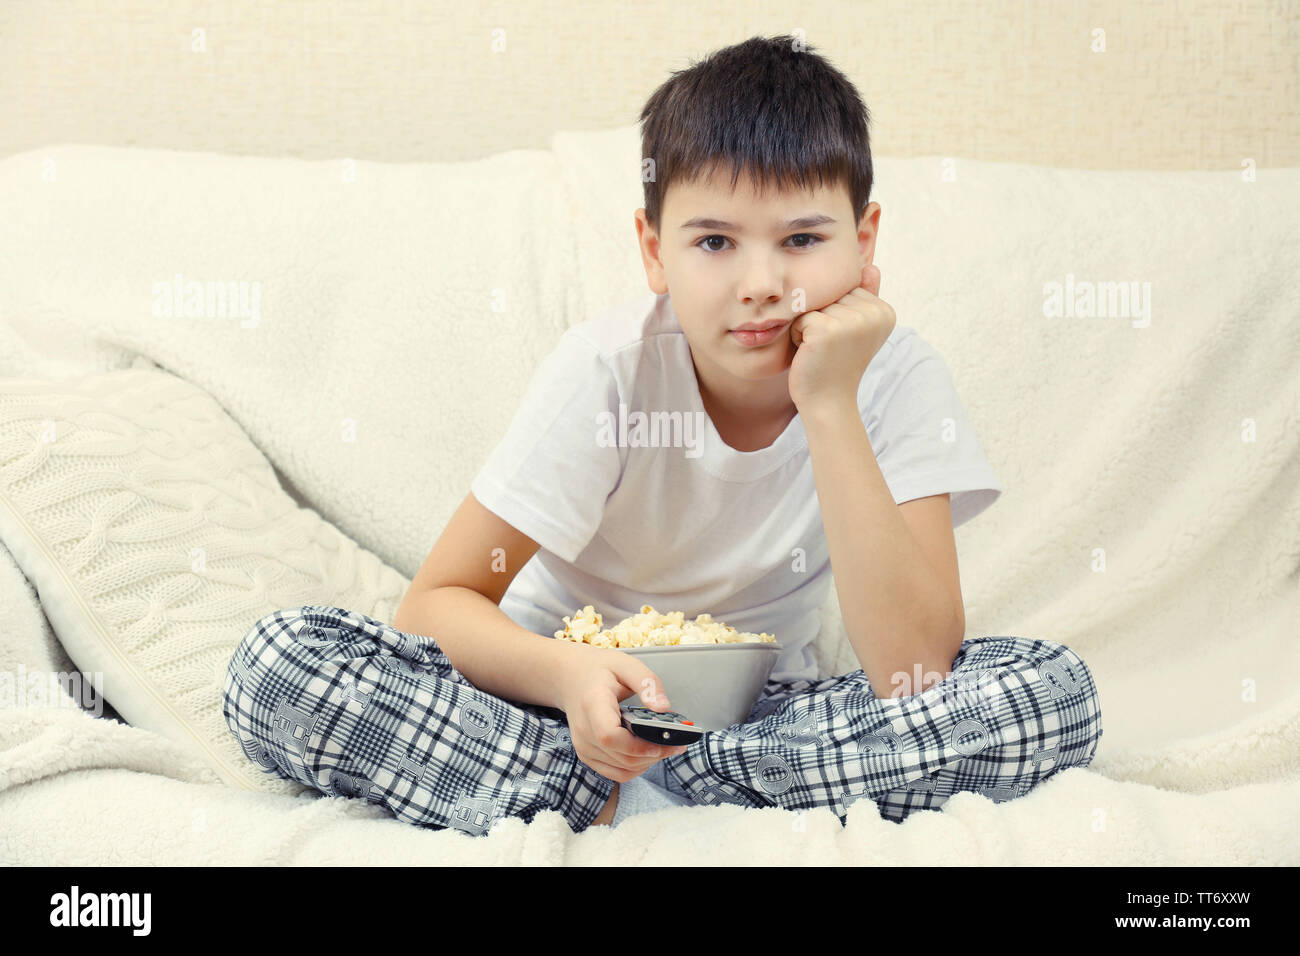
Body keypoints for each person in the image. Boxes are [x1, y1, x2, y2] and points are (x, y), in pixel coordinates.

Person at [222, 34, 1103, 838]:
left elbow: (913, 670)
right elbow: (439, 605)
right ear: (654, 252)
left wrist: (830, 405)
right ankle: (619, 783)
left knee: (1049, 697)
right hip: (551, 707)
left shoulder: (897, 377)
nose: (762, 283)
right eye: (714, 242)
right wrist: (570, 680)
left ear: (865, 241)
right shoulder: (609, 372)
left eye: (802, 238)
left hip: (771, 718)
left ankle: (665, 789)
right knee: (281, 666)